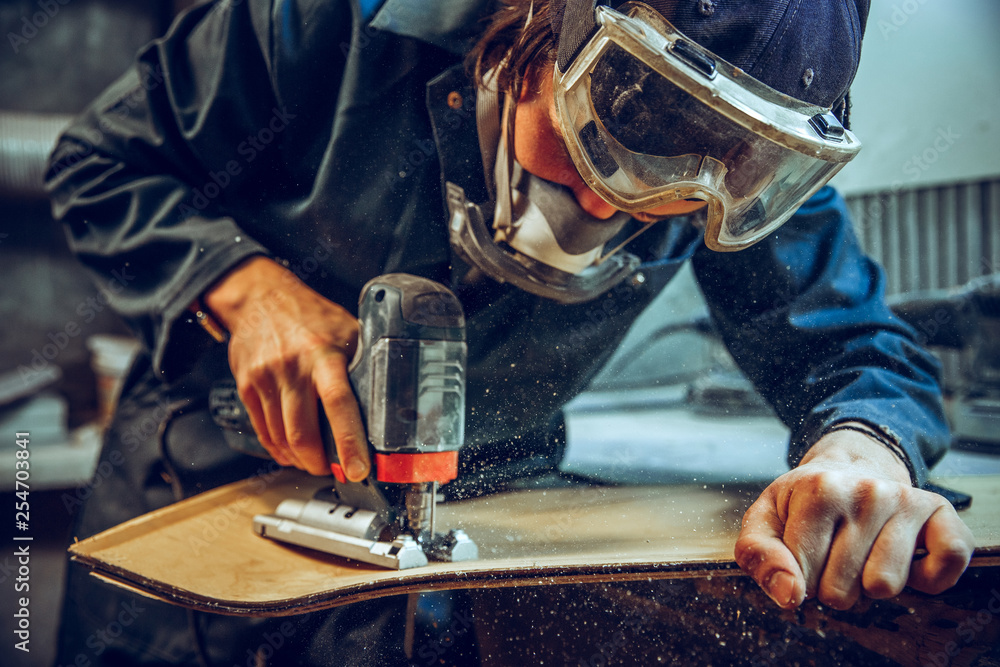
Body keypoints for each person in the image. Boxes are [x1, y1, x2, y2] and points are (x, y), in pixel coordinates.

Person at [46, 0, 974, 664]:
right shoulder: (327, 25)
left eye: (664, 202)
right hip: (210, 490)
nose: (607, 209)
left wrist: (862, 454)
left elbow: (859, 351)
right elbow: (98, 163)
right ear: (539, 24)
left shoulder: (734, 164)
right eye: (595, 148)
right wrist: (244, 290)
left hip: (488, 531)